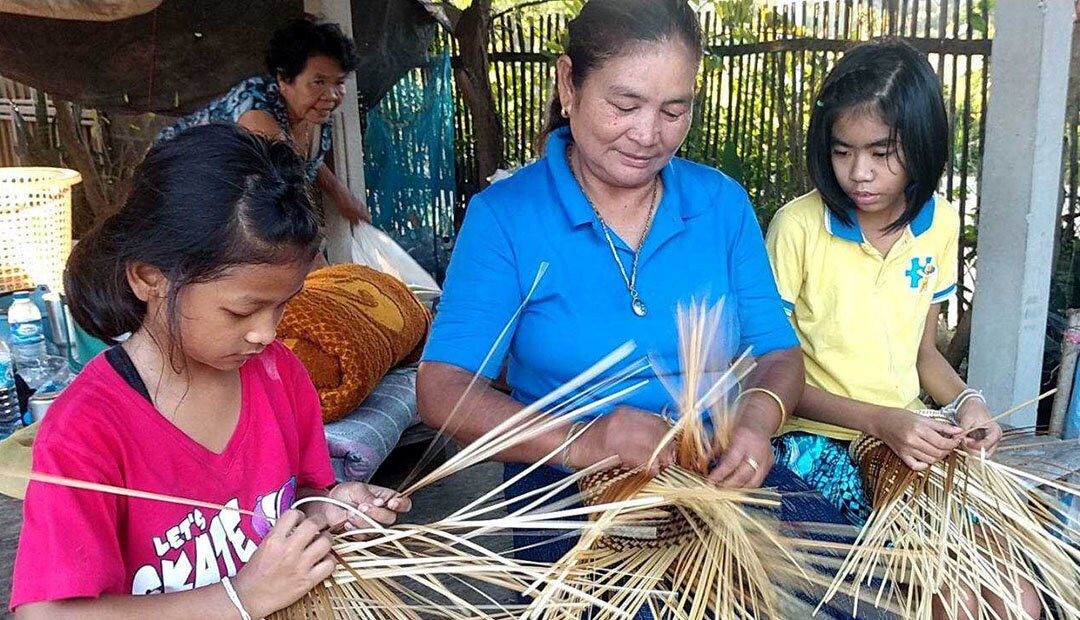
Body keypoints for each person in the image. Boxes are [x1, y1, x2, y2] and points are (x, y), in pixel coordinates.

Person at [418, 0, 849, 575]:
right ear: (568, 83)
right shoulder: (507, 218)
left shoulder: (719, 204)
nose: (648, 135)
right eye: (624, 105)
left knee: (889, 591)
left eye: (675, 110)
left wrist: (756, 422)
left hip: (714, 465)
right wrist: (584, 441)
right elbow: (442, 389)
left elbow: (777, 351)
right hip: (564, 484)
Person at [11, 124, 410, 619]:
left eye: (282, 306)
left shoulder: (279, 373)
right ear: (149, 278)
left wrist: (327, 509)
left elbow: (293, 499)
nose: (266, 332)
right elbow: (46, 614)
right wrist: (241, 598)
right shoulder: (87, 428)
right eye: (242, 312)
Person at [764, 40, 1037, 618]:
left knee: (1015, 597)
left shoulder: (938, 225)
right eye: (842, 152)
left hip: (912, 443)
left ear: (921, 142)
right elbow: (767, 374)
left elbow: (923, 355)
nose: (859, 173)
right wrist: (879, 421)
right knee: (946, 603)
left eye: (882, 152)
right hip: (817, 445)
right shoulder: (798, 227)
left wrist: (967, 404)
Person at [158, 17, 370, 224]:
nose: (332, 95)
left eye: (339, 82)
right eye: (319, 81)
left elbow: (307, 159)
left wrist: (341, 194)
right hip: (171, 186)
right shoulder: (255, 108)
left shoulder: (314, 113)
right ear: (284, 79)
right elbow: (284, 186)